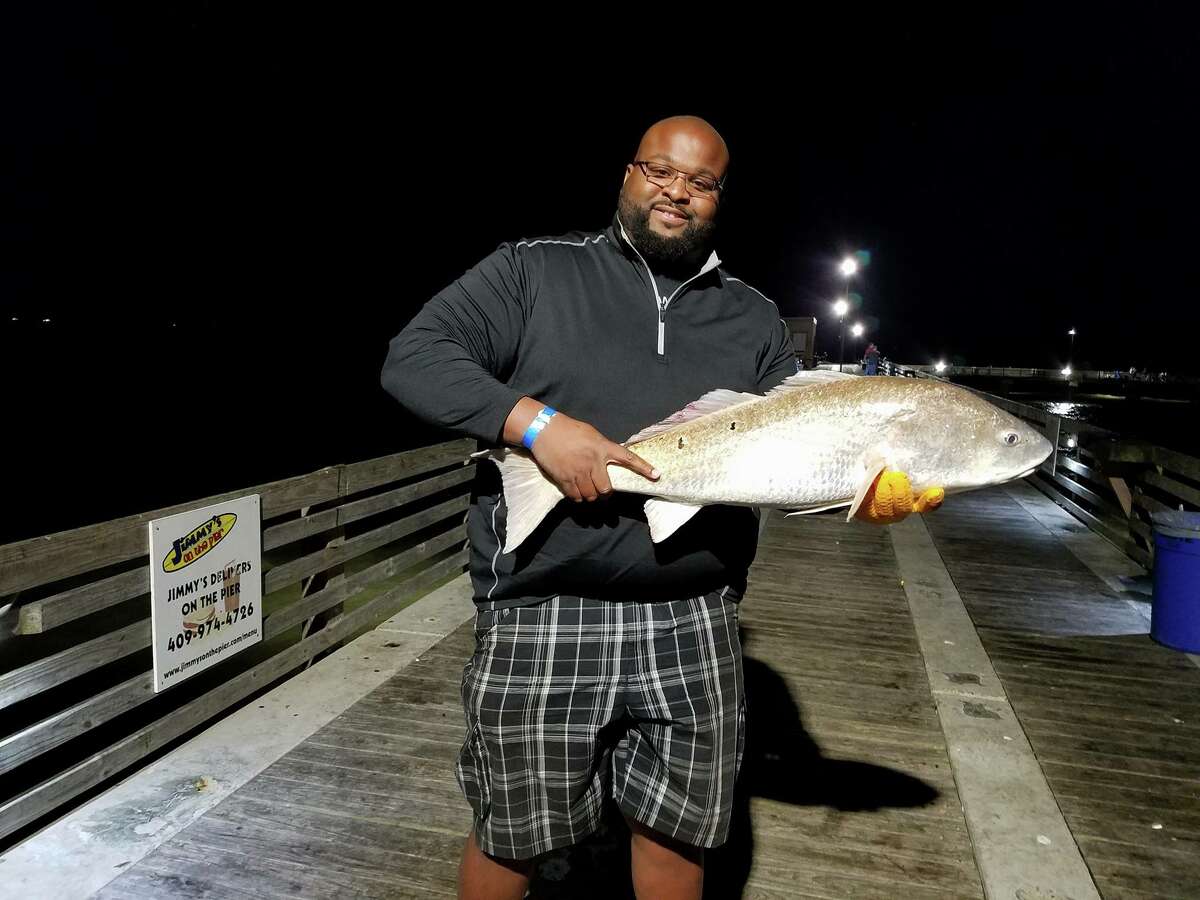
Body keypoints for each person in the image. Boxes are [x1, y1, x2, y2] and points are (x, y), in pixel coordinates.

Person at [381, 116, 927, 900]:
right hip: (543, 602)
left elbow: (798, 460)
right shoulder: (533, 272)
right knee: (513, 832)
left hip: (694, 611)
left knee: (680, 833)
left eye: (701, 182)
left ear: (719, 199)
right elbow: (415, 358)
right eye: (660, 170)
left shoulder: (752, 318)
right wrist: (538, 427)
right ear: (628, 175)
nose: (678, 191)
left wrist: (862, 496)